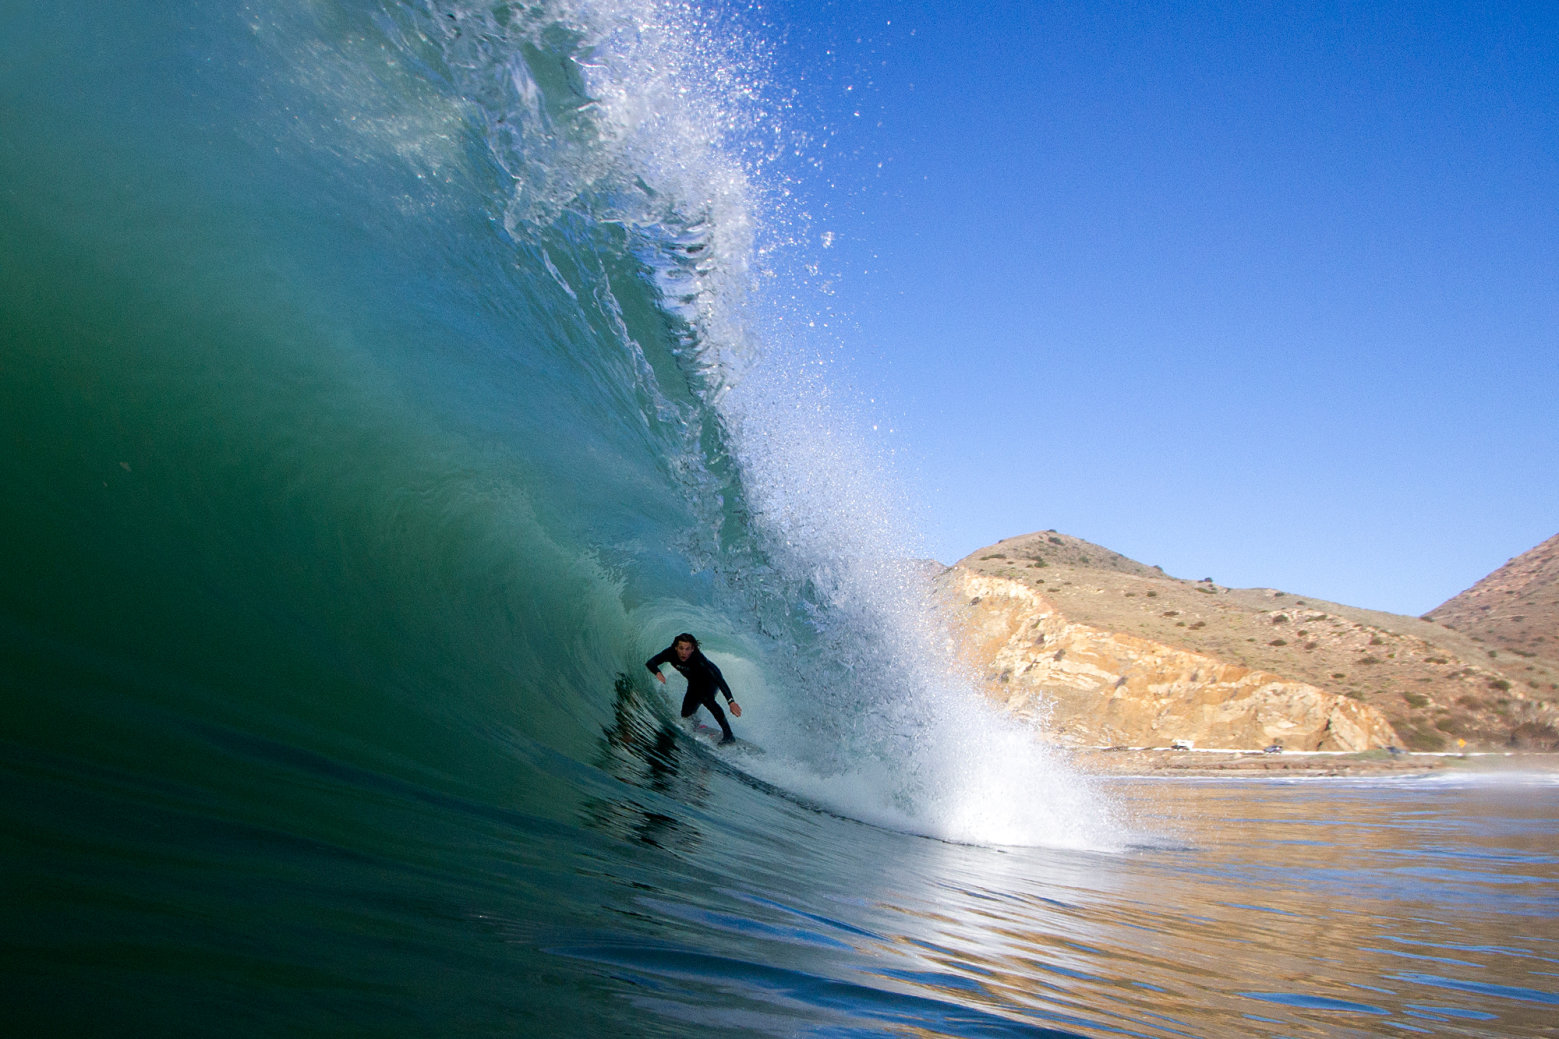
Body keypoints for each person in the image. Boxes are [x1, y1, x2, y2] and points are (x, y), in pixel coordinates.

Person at [646, 633, 742, 744]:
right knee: (686, 714)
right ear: (676, 647)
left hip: (710, 680)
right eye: (681, 648)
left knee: (707, 699)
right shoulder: (670, 653)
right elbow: (651, 662)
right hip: (694, 682)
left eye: (688, 649)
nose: (684, 652)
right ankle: (696, 724)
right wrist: (657, 672)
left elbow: (719, 679)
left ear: (693, 649)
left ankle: (729, 735)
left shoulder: (699, 659)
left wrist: (731, 702)